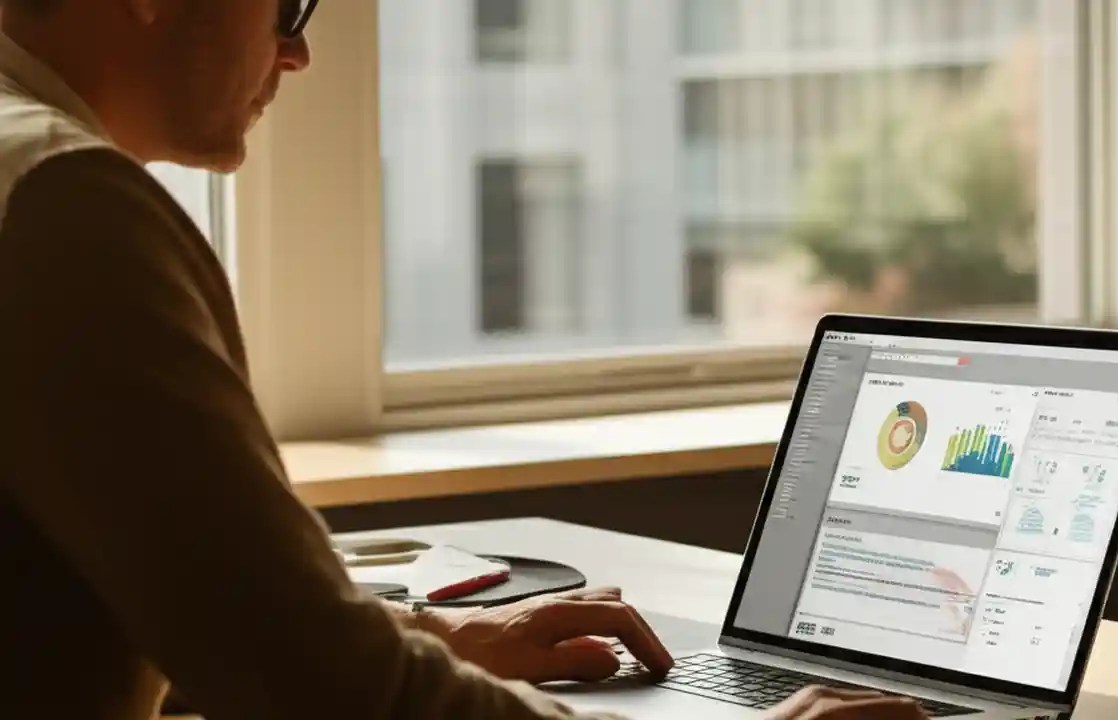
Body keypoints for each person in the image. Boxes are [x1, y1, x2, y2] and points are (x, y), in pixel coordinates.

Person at [0, 1, 928, 718]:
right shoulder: (64, 206)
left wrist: (428, 639)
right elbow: (313, 682)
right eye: (288, 5)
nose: (297, 53)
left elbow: (212, 619)